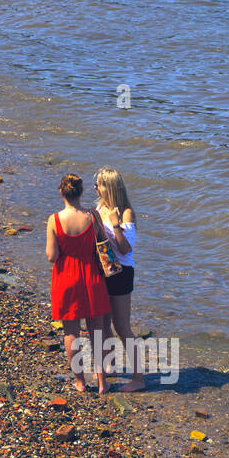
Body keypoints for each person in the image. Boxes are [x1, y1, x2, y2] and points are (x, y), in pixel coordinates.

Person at [46, 173, 111, 393]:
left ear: (61, 193)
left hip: (66, 280)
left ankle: (81, 382)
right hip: (92, 278)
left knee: (71, 334)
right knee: (98, 333)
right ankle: (103, 383)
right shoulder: (93, 216)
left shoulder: (54, 220)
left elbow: (52, 256)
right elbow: (103, 246)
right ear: (82, 192)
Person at [95, 166, 144, 391]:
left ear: (109, 187)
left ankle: (138, 379)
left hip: (122, 273)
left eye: (99, 184)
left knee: (122, 326)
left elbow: (125, 249)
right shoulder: (99, 207)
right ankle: (108, 366)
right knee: (102, 323)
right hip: (104, 270)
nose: (95, 187)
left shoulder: (125, 213)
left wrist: (115, 224)